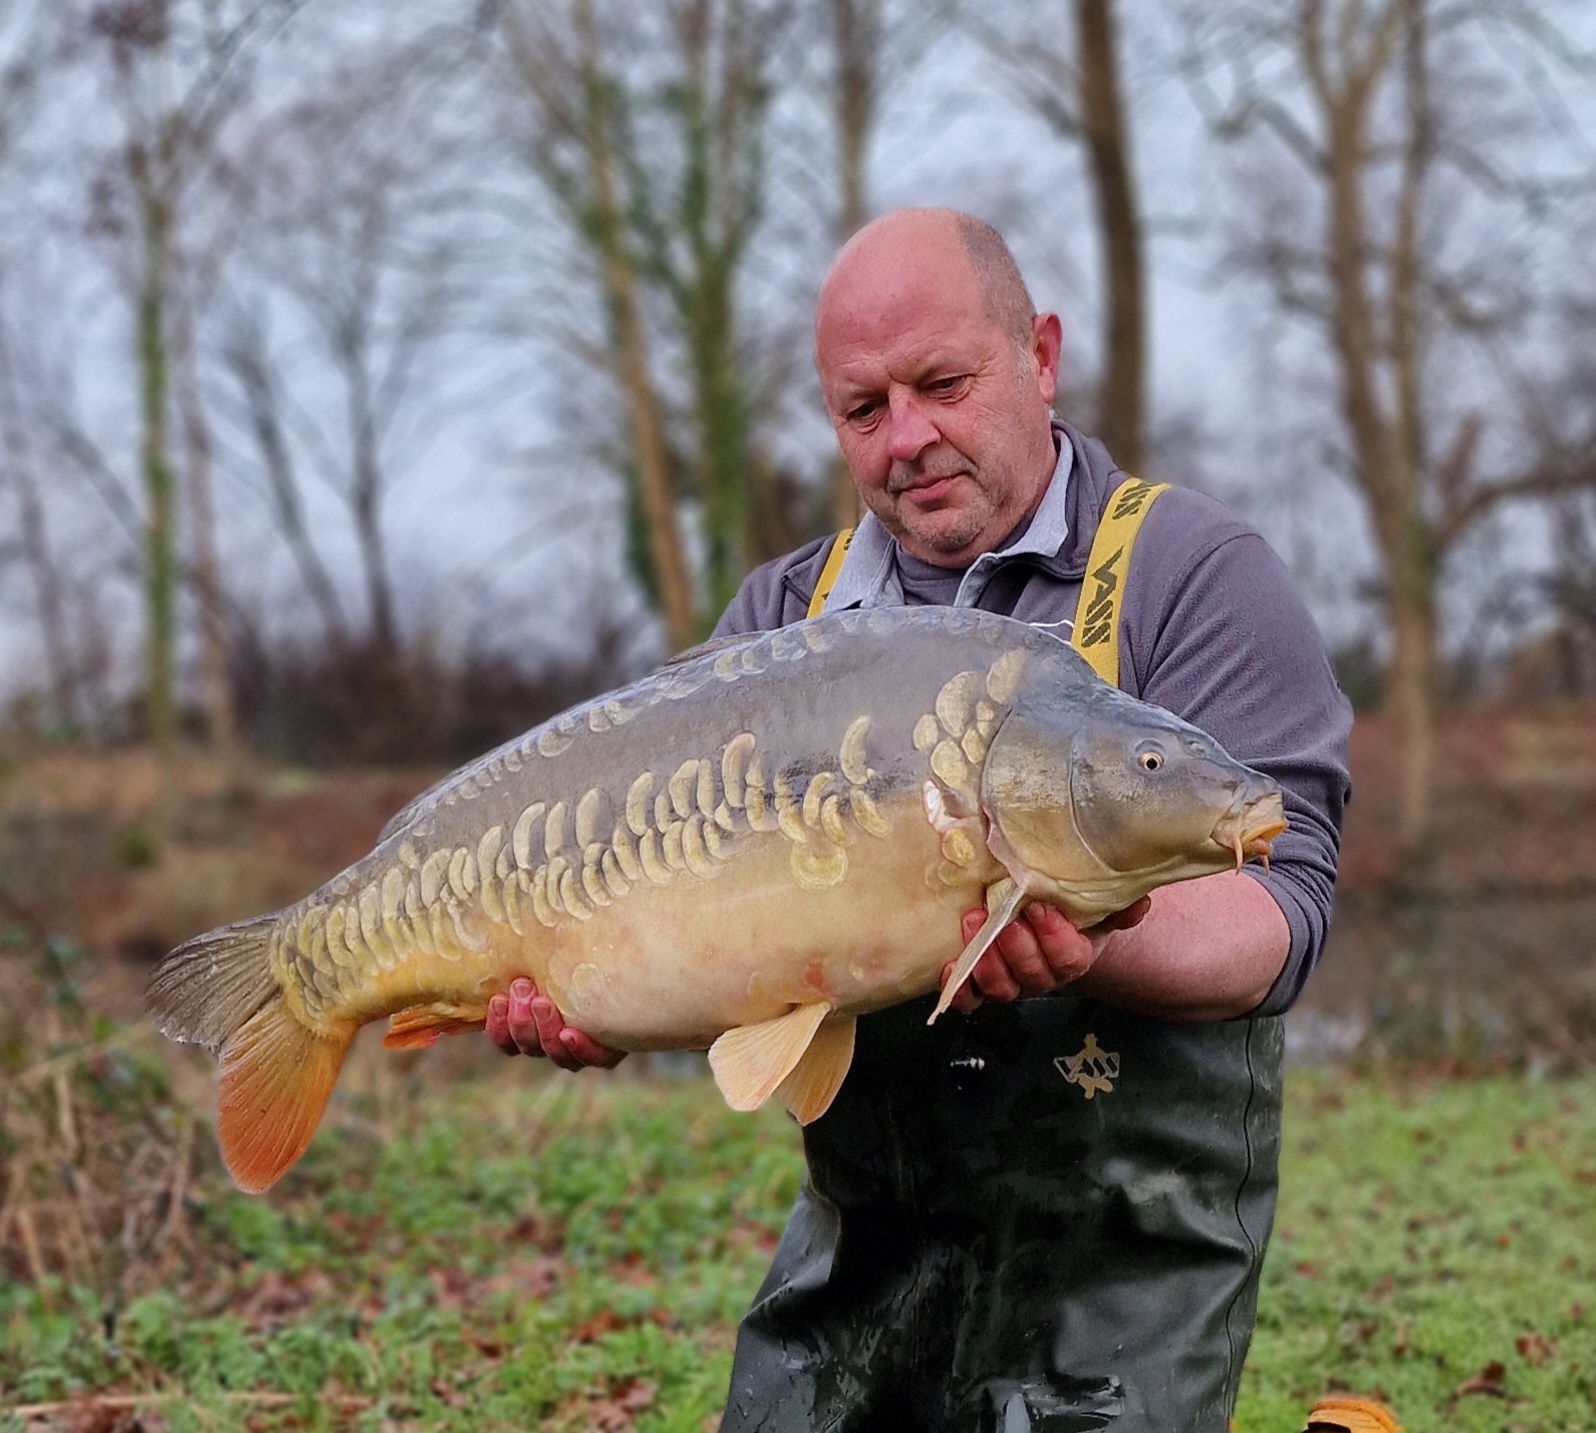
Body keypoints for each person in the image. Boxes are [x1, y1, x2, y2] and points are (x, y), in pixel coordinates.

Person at [486, 207, 1352, 1432]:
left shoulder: (1195, 573)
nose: (909, 438)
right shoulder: (782, 620)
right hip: (867, 1244)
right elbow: (698, 934)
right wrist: (597, 994)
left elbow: (1286, 901)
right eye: (863, 409)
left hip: (1126, 1254)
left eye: (943, 383)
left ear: (1040, 355)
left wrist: (1103, 940)